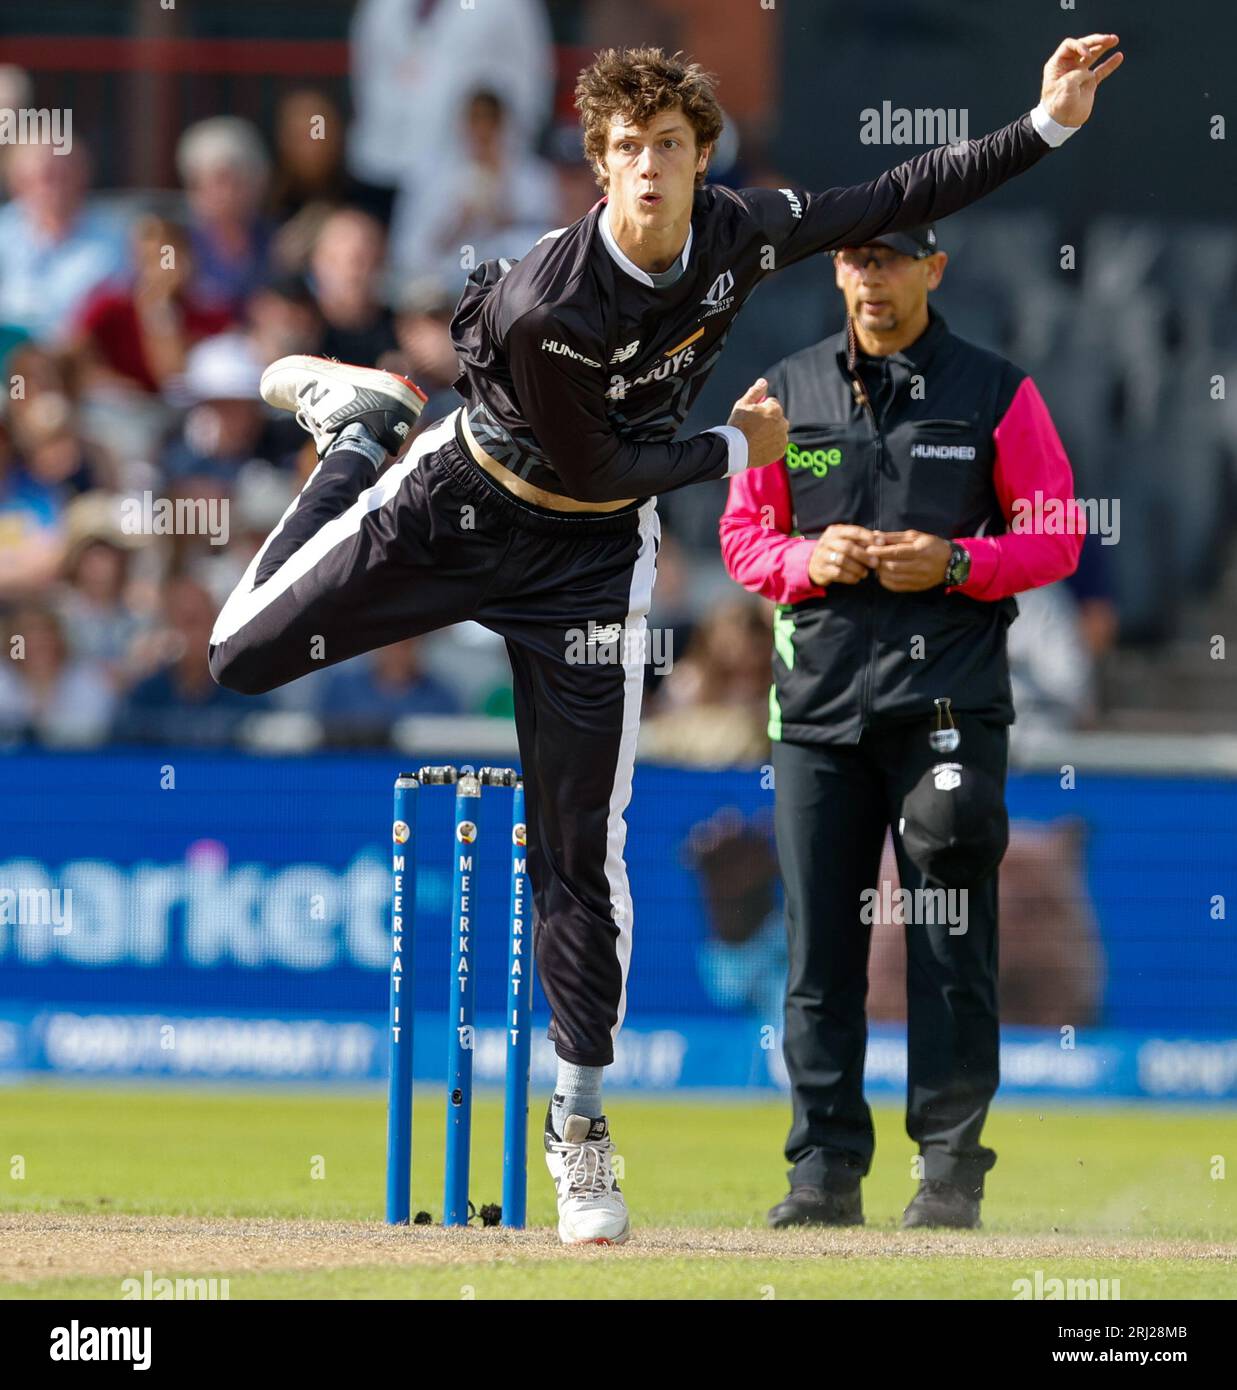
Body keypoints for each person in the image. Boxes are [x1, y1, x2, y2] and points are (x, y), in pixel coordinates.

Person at [208, 39, 1122, 1245]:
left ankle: (578, 1129)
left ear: (702, 162)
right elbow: (598, 461)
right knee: (238, 658)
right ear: (599, 166)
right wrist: (740, 450)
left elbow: (900, 194)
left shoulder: (742, 231)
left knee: (582, 850)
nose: (648, 169)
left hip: (589, 564)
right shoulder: (548, 300)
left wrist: (1044, 121)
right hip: (464, 506)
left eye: (671, 147)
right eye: (626, 150)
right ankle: (358, 437)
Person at [720, 221, 1085, 1231]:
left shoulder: (995, 389)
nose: (869, 277)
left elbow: (1056, 528)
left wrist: (960, 561)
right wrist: (809, 561)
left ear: (934, 267)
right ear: (835, 269)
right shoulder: (782, 391)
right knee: (819, 949)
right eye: (853, 259)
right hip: (818, 712)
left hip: (947, 714)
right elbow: (744, 537)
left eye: (889, 258)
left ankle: (951, 1168)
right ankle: (824, 1168)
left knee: (949, 939)